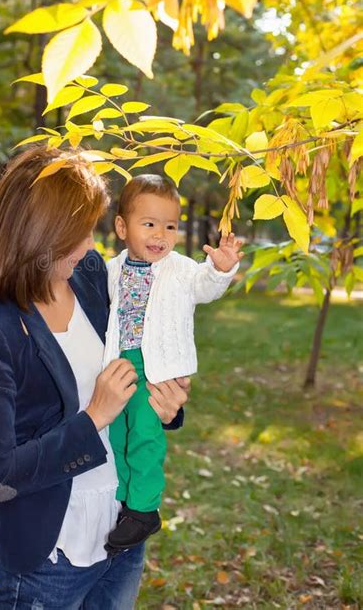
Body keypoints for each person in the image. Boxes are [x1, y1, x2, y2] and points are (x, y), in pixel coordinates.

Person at [0, 147, 190, 609]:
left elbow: (133, 363)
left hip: (120, 536)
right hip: (49, 559)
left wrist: (166, 404)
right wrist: (94, 416)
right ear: (38, 234)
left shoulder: (88, 274)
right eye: (77, 235)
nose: (89, 246)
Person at [103, 175, 244, 553]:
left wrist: (221, 269)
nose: (160, 234)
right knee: (116, 433)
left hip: (158, 369)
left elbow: (205, 286)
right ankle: (120, 497)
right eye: (148, 224)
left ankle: (144, 508)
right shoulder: (111, 269)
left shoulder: (180, 269)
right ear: (121, 227)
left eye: (170, 226)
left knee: (146, 436)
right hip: (117, 363)